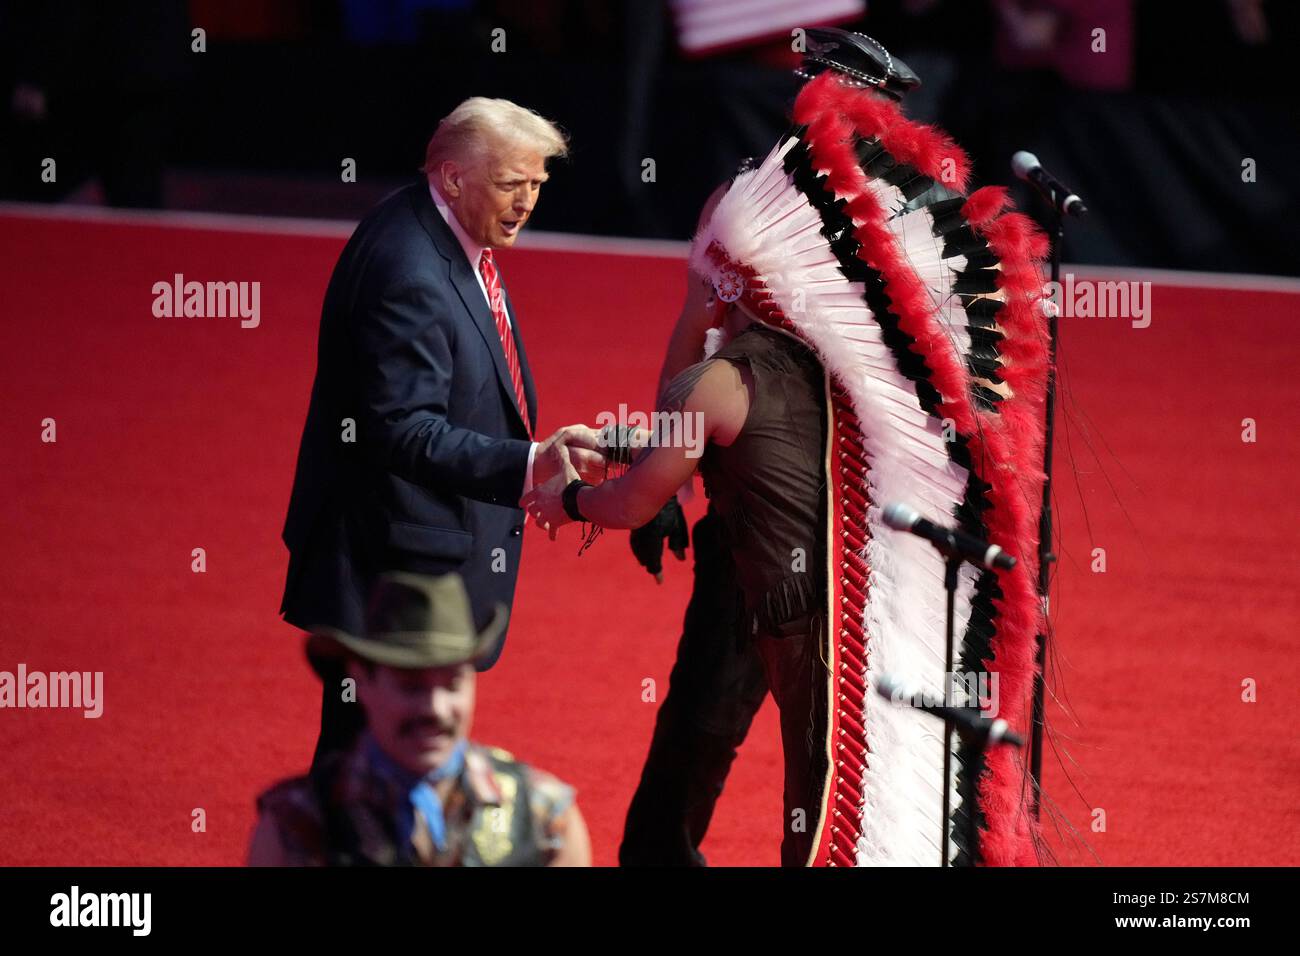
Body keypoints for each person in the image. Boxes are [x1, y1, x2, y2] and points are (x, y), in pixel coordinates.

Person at [277, 96, 603, 773]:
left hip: (402, 542)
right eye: (513, 184)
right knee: (363, 753)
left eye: (538, 184)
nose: (528, 202)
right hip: (390, 558)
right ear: (453, 177)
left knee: (379, 750)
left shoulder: (439, 230)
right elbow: (401, 428)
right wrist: (528, 463)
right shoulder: (411, 269)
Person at [525, 266, 831, 867]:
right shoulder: (832, 357)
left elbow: (643, 488)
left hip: (779, 601)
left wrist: (566, 502)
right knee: (820, 788)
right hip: (847, 593)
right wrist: (612, 443)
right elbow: (704, 438)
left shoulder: (721, 377)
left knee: (805, 795)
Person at [248, 571, 591, 866]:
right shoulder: (297, 823)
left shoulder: (544, 816)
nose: (436, 709)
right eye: (411, 686)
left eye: (452, 684)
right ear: (361, 681)